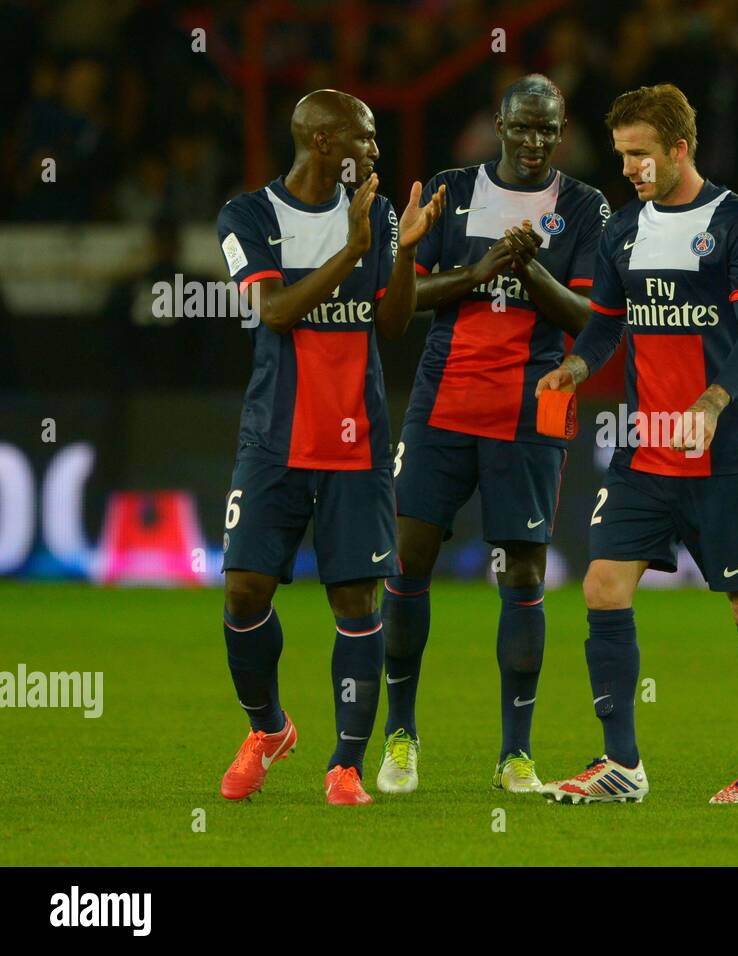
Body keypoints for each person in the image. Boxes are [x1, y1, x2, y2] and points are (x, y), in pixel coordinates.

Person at [536, 83, 738, 804]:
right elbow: (607, 323)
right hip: (647, 451)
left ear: (682, 148)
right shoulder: (621, 230)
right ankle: (622, 764)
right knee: (601, 586)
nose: (630, 168)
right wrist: (575, 367)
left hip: (726, 450)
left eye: (642, 154)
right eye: (622, 155)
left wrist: (714, 399)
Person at [377, 75, 609, 795]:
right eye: (522, 127)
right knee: (407, 564)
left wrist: (531, 269)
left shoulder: (583, 206)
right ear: (498, 126)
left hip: (528, 413)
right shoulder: (451, 189)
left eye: (548, 129)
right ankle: (401, 737)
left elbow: (589, 321)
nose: (534, 142)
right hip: (442, 404)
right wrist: (479, 271)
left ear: (561, 131)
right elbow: (402, 302)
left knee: (523, 575)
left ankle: (516, 753)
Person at [214, 89, 444, 806]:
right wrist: (353, 248)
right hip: (274, 441)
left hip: (357, 442)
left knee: (354, 599)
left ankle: (344, 763)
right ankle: (268, 728)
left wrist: (399, 254)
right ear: (321, 143)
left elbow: (393, 325)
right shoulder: (248, 217)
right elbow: (276, 311)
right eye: (363, 139)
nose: (374, 151)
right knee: (244, 589)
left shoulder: (374, 216)